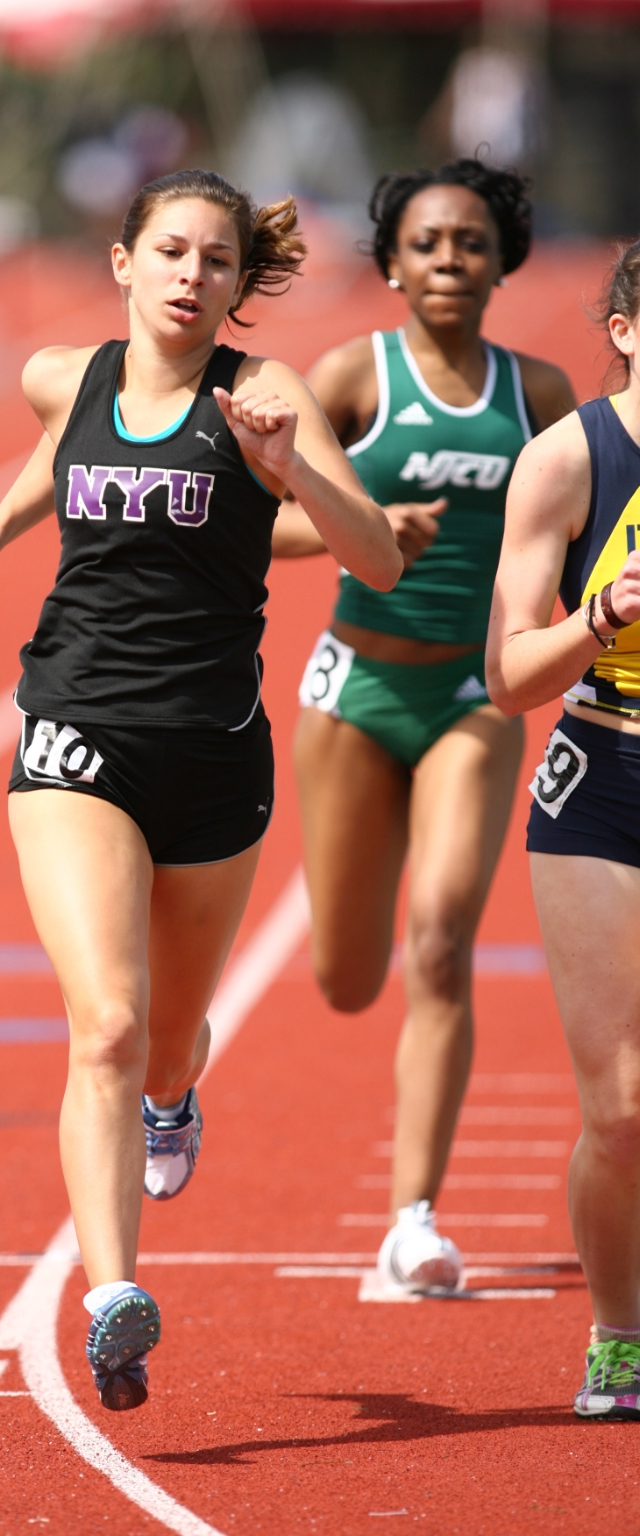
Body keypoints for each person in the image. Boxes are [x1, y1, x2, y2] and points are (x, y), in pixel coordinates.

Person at [0, 168, 401, 1410]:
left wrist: (293, 468)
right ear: (123, 263)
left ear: (241, 287)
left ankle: (176, 1101)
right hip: (74, 734)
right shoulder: (62, 374)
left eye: (218, 262)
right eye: (173, 252)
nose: (194, 276)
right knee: (106, 1025)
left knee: (168, 1042)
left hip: (211, 756)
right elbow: (60, 450)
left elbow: (378, 560)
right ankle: (113, 1294)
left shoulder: (261, 392)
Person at [271, 158, 575, 1294]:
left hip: (472, 697)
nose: (449, 260)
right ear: (391, 264)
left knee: (441, 942)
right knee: (348, 978)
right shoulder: (350, 377)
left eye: (470, 242)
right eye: (427, 243)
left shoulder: (538, 395)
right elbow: (249, 531)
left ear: (502, 261)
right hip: (354, 693)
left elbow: (590, 524)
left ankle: (414, 1219)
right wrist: (363, 530)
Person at [487, 239, 640, 1419]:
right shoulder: (567, 458)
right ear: (625, 327)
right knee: (623, 1105)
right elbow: (505, 676)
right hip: (606, 776)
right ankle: (619, 1333)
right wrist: (600, 613)